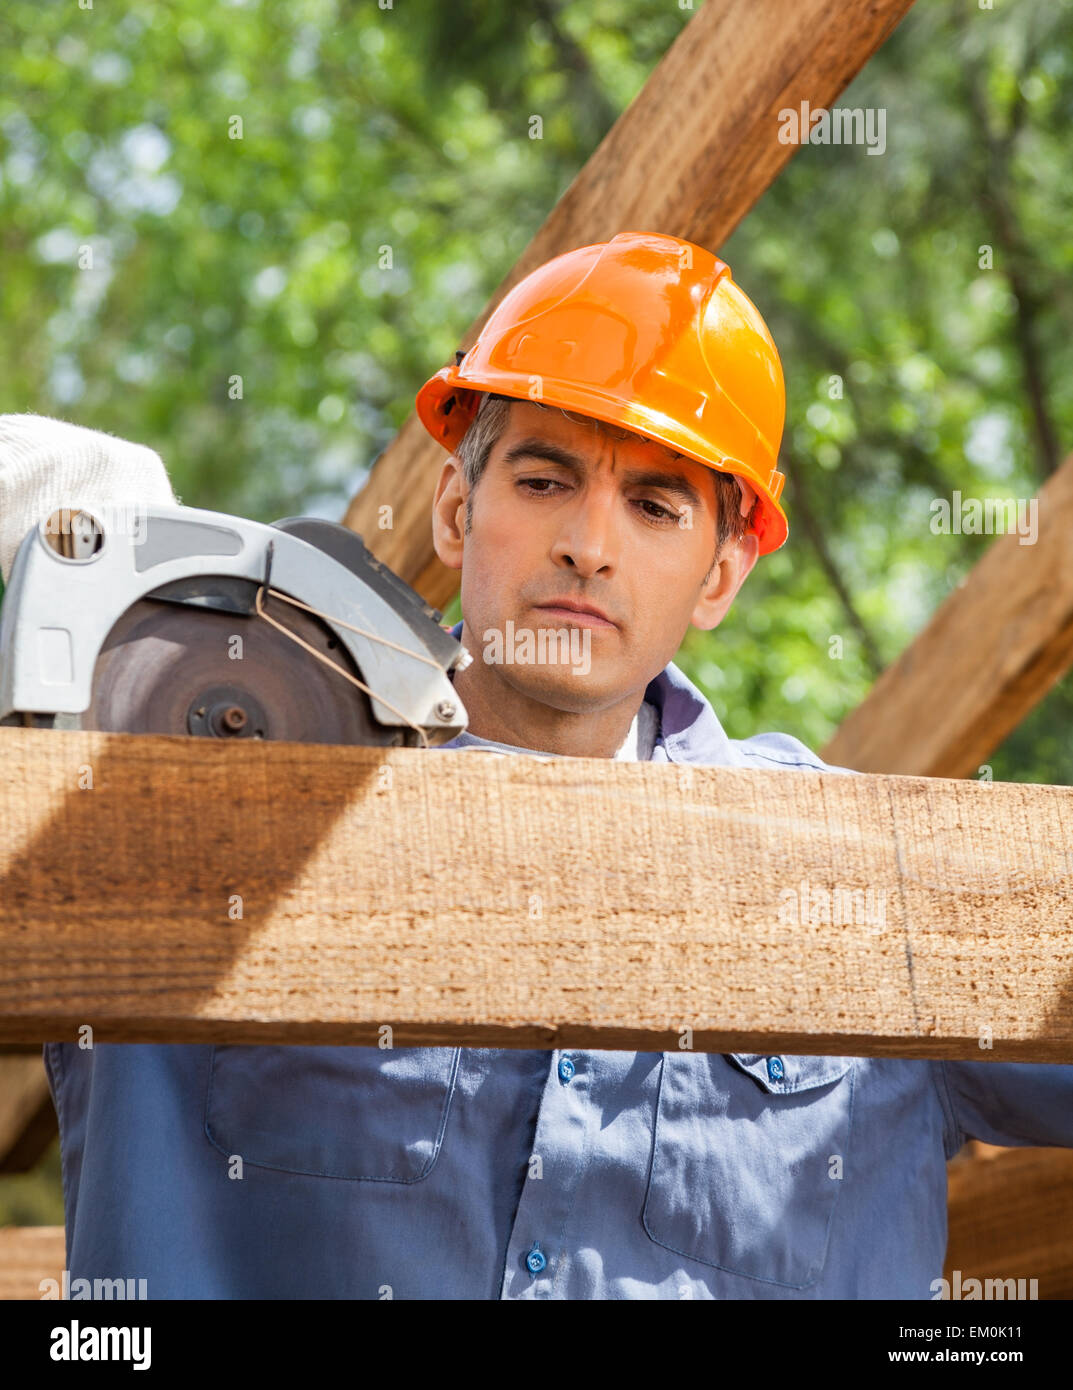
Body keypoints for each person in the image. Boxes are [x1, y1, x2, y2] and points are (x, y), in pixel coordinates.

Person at [3, 230, 1071, 1300]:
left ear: (721, 575)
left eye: (655, 505)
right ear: (459, 510)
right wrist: (87, 539)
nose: (588, 544)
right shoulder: (221, 787)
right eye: (544, 478)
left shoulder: (878, 883)